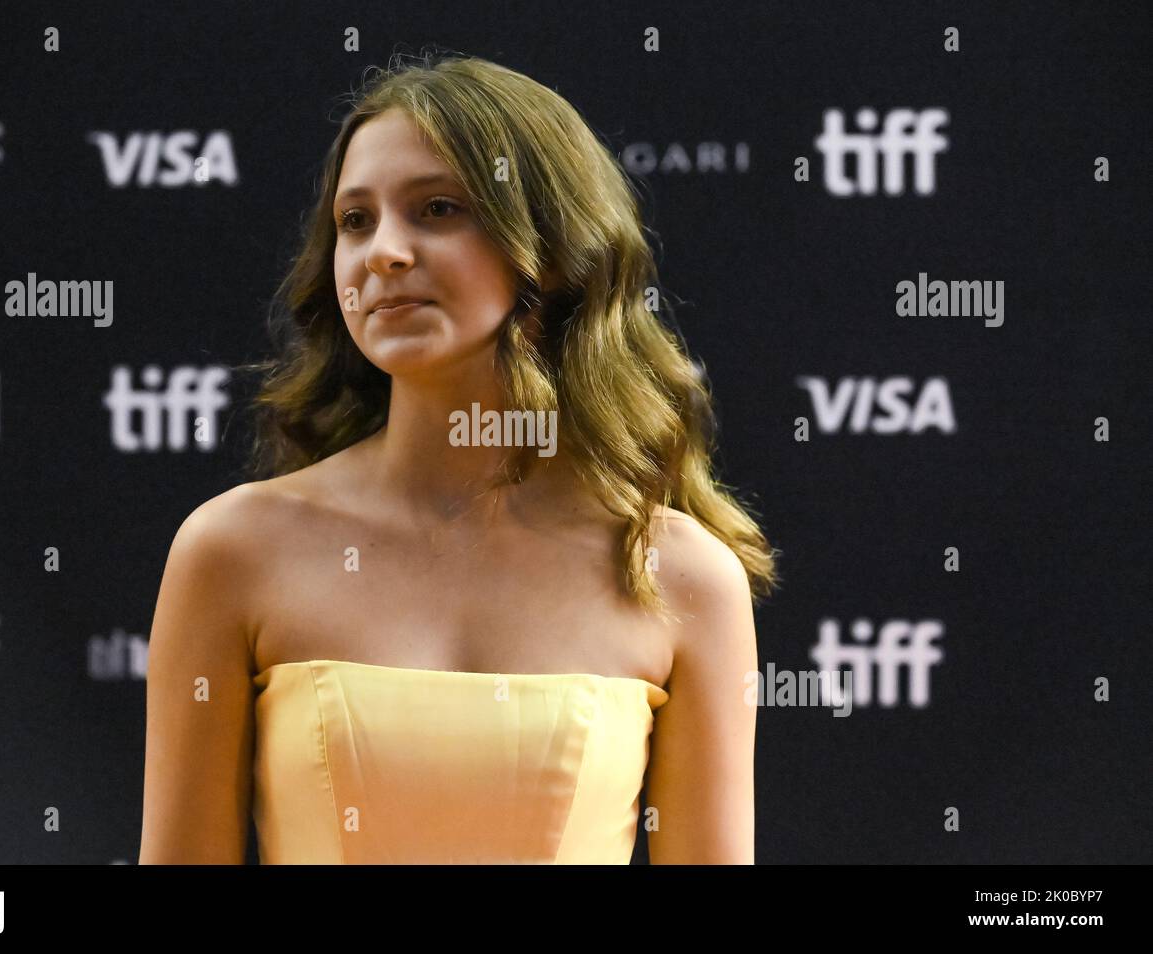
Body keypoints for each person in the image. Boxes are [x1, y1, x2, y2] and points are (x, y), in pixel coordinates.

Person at [139, 50, 779, 865]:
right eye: (355, 221)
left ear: (551, 247)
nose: (383, 253)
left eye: (437, 208)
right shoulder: (231, 551)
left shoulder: (681, 576)